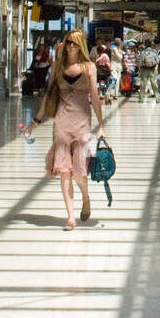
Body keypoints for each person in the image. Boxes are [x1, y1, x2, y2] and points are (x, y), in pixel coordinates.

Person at [26, 29, 105, 230]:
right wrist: (35, 121)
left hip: (82, 123)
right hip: (61, 122)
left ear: (81, 46)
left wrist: (101, 125)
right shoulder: (57, 67)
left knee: (79, 171)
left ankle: (85, 198)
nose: (71, 46)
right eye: (68, 42)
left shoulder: (89, 68)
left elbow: (94, 97)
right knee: (64, 170)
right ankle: (70, 216)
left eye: (75, 43)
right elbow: (49, 95)